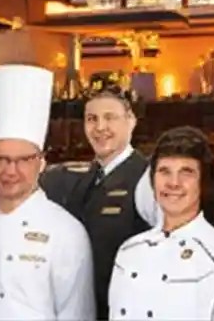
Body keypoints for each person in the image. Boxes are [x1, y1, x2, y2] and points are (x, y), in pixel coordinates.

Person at [0, 64, 94, 321]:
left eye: (22, 160)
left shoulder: (66, 232)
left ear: (41, 163)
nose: (10, 170)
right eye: (2, 159)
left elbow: (77, 314)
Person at [109, 126, 214, 320]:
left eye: (186, 172)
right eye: (164, 171)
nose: (173, 183)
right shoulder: (129, 251)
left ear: (203, 182)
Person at [39, 84, 156, 319]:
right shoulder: (81, 180)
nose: (100, 127)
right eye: (92, 119)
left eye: (109, 118)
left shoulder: (148, 178)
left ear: (131, 121)